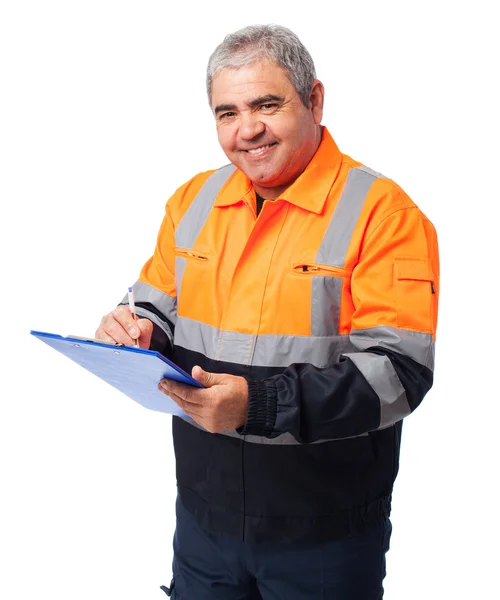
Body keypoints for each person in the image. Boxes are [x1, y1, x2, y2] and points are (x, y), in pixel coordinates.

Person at [96, 24, 439, 599]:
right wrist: (135, 329)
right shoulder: (194, 200)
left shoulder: (384, 214)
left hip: (324, 534)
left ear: (315, 100)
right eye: (226, 112)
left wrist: (256, 405)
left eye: (267, 104)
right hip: (204, 520)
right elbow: (155, 302)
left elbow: (399, 375)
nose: (246, 129)